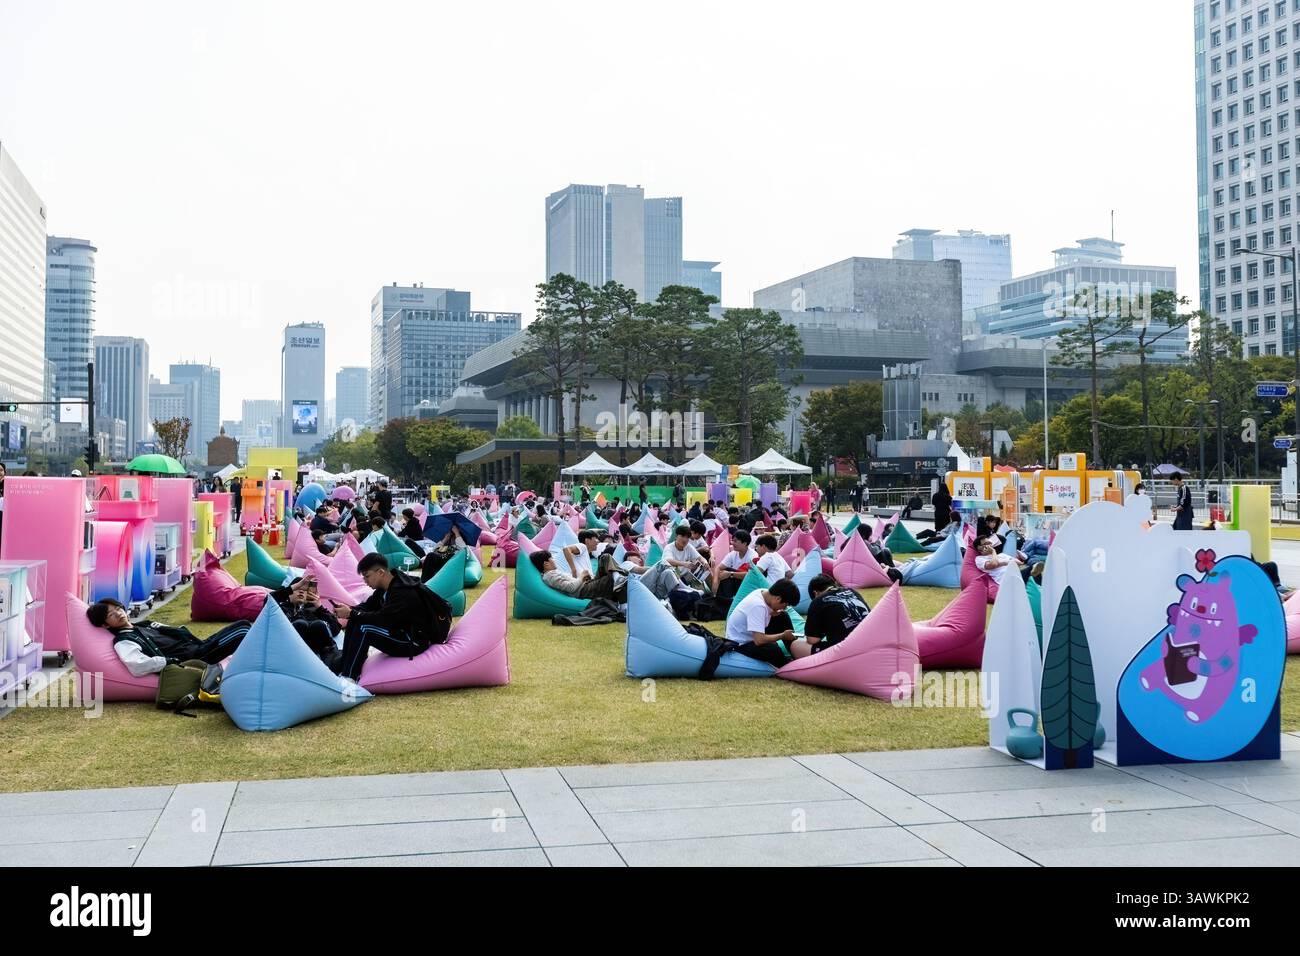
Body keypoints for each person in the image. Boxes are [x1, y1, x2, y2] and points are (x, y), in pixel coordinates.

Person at [335, 553, 452, 681]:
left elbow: (383, 620)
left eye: (367, 576)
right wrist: (349, 610)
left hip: (414, 641)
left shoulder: (403, 591)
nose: (365, 581)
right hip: (400, 633)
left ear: (380, 572)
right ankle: (344, 668)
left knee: (364, 627)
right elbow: (367, 606)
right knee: (355, 620)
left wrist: (352, 614)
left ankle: (350, 677)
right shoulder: (385, 588)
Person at [87, 599, 256, 677]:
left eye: (118, 608)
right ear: (105, 625)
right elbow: (137, 666)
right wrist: (170, 661)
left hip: (199, 645)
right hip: (195, 658)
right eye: (111, 614)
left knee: (243, 624)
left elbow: (174, 632)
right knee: (243, 632)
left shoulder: (143, 625)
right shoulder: (124, 641)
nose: (118, 613)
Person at [726, 578, 807, 667]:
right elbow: (759, 640)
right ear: (778, 598)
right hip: (741, 643)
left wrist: (773, 613)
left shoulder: (763, 592)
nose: (784, 608)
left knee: (783, 616)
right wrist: (782, 635)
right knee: (773, 650)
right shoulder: (758, 606)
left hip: (750, 633)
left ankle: (795, 653)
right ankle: (786, 666)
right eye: (785, 605)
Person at [803, 574, 871, 652]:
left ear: (815, 593)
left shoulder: (818, 601)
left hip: (846, 650)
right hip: (871, 640)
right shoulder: (852, 591)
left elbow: (812, 640)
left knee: (796, 645)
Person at [711, 529, 758, 599]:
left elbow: (751, 575)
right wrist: (715, 582)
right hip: (734, 583)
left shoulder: (753, 556)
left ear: (745, 543)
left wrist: (730, 574)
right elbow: (718, 567)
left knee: (727, 572)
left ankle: (723, 600)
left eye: (735, 541)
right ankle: (720, 599)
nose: (732, 543)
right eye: (732, 540)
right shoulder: (733, 554)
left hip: (746, 585)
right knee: (722, 573)